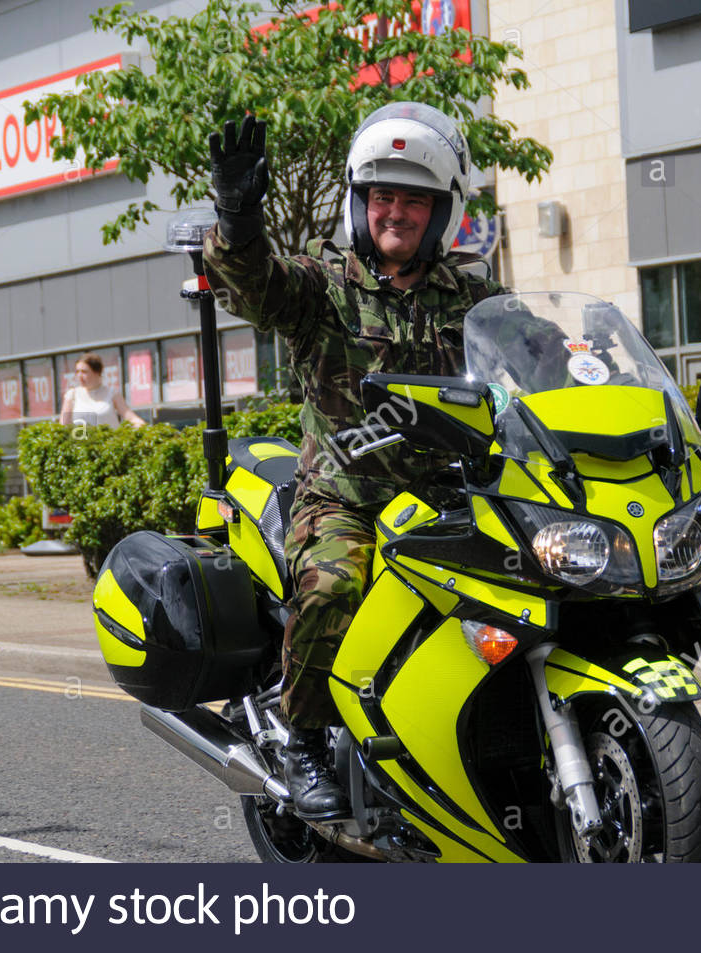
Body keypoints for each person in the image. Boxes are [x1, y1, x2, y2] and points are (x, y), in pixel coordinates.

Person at [202, 104, 504, 818]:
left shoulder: (476, 295)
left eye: (414, 200)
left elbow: (543, 363)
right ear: (361, 203)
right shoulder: (322, 285)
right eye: (384, 197)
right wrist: (238, 217)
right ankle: (303, 737)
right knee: (335, 582)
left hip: (450, 495)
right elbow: (252, 284)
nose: (396, 212)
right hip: (345, 497)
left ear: (440, 211)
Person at [59, 353, 145, 428]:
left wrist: (142, 427)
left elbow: (130, 417)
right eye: (77, 371)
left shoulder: (112, 393)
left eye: (84, 372)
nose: (79, 376)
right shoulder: (72, 395)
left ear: (97, 372)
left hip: (109, 443)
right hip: (82, 444)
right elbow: (63, 425)